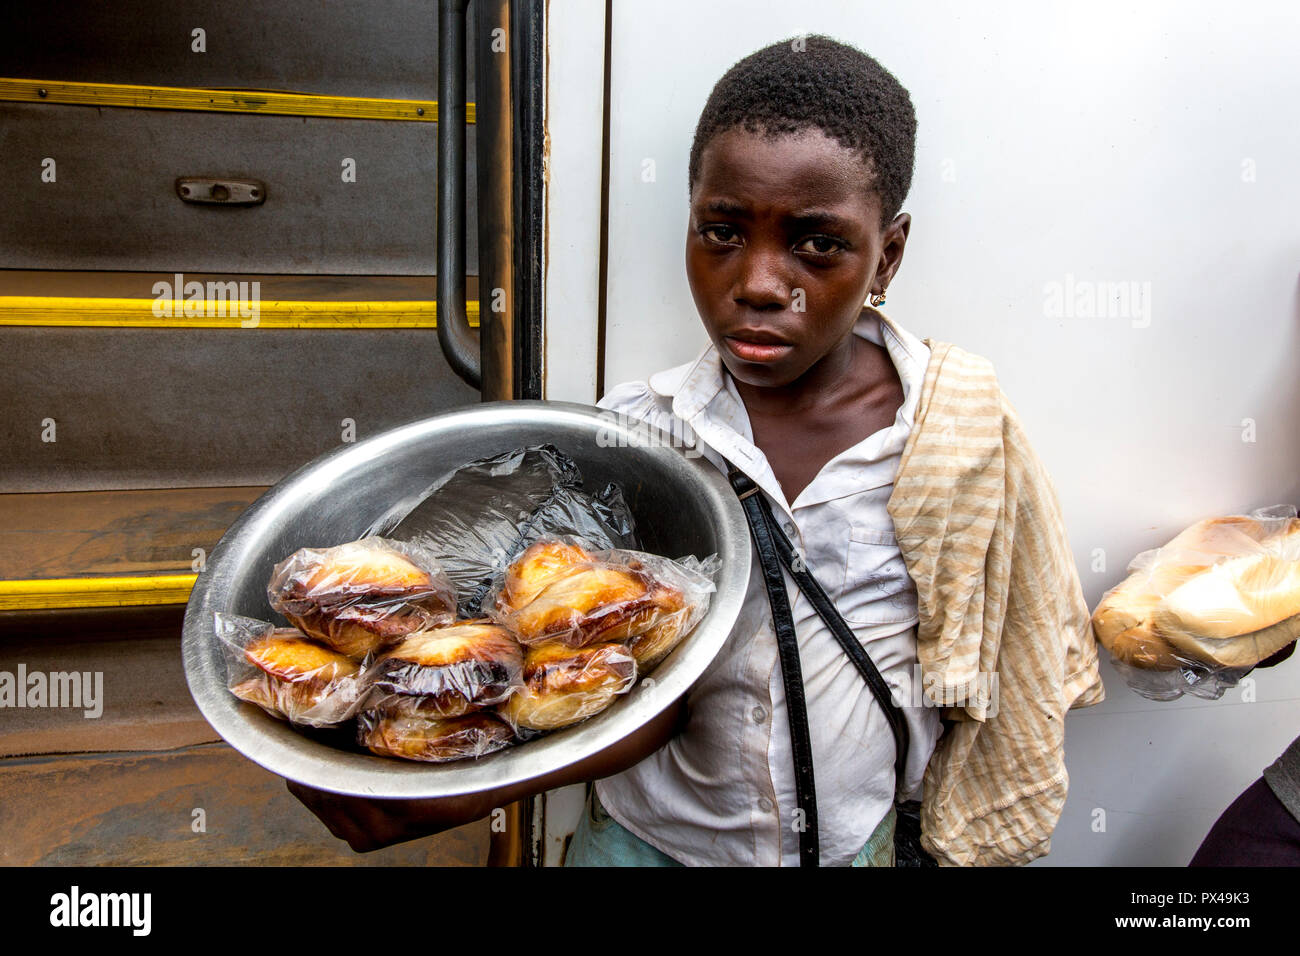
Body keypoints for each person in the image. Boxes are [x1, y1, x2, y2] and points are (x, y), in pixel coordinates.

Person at [289, 34, 1105, 866]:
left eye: (816, 244)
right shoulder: (636, 433)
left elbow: (1006, 650)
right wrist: (454, 788)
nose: (758, 282)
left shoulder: (951, 438)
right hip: (648, 846)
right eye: (722, 232)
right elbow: (645, 695)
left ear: (886, 255)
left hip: (854, 846)